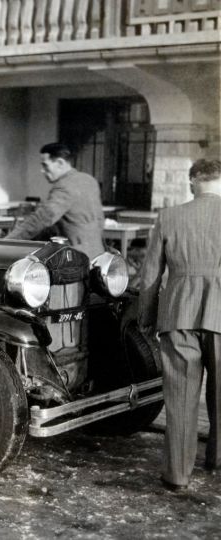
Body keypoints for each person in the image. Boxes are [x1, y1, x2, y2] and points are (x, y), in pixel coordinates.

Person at [138, 158, 221, 491]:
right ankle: (215, 458)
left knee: (181, 399)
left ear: (191, 183)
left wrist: (145, 319)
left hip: (179, 316)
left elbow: (149, 276)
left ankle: (177, 474)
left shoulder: (169, 217)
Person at [5, 143, 105, 259]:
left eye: (45, 166)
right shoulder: (89, 180)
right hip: (98, 252)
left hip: (76, 258)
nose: (42, 171)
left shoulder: (64, 186)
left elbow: (41, 219)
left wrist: (7, 243)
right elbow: (99, 219)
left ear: (60, 163)